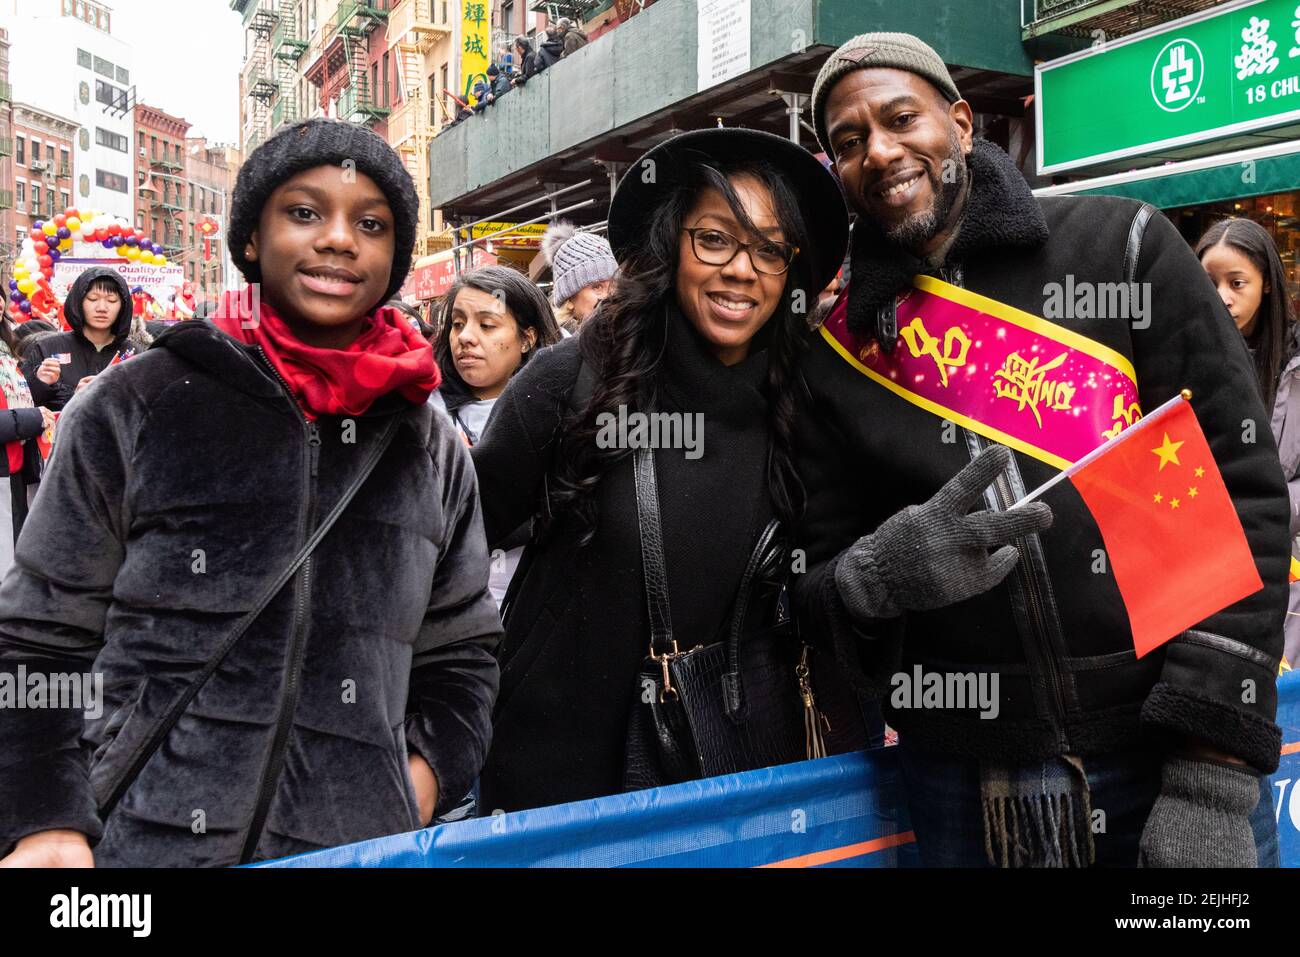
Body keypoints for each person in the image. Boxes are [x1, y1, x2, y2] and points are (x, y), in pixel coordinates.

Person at [796, 32, 1289, 868]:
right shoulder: (837, 350)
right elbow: (814, 589)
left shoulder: (1123, 246)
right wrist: (875, 577)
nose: (878, 151)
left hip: (1166, 753)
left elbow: (1245, 498)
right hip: (967, 787)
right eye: (848, 142)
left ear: (958, 122)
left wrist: (1211, 777)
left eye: (899, 118)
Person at [0, 117, 502, 868]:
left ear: (394, 257)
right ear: (249, 240)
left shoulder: (429, 447)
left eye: (370, 223)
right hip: (134, 850)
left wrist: (415, 784)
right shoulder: (133, 405)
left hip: (353, 855)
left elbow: (463, 655)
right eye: (304, 212)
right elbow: (37, 642)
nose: (338, 239)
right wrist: (47, 817)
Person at [467, 127, 859, 813]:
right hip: (552, 793)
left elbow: (825, 590)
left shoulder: (809, 404)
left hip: (726, 781)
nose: (742, 269)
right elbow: (452, 554)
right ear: (672, 247)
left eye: (770, 250)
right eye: (714, 239)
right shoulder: (569, 381)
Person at [430, 266, 560, 610]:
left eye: (487, 325)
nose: (465, 337)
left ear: (527, 338)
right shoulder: (423, 413)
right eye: (457, 324)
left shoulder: (565, 414)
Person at [23, 267, 147, 411]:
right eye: (92, 299)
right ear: (78, 302)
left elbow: (147, 410)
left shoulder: (135, 353)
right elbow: (21, 407)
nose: (102, 308)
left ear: (123, 305)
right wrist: (40, 384)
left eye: (112, 300)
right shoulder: (46, 348)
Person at [0, 316, 54, 577]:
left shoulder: (6, 357)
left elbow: (12, 403)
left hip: (14, 475)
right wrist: (31, 418)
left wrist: (40, 385)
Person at [540, 221, 617, 332]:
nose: (609, 296)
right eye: (597, 287)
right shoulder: (557, 346)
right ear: (569, 299)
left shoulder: (637, 341)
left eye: (614, 285)